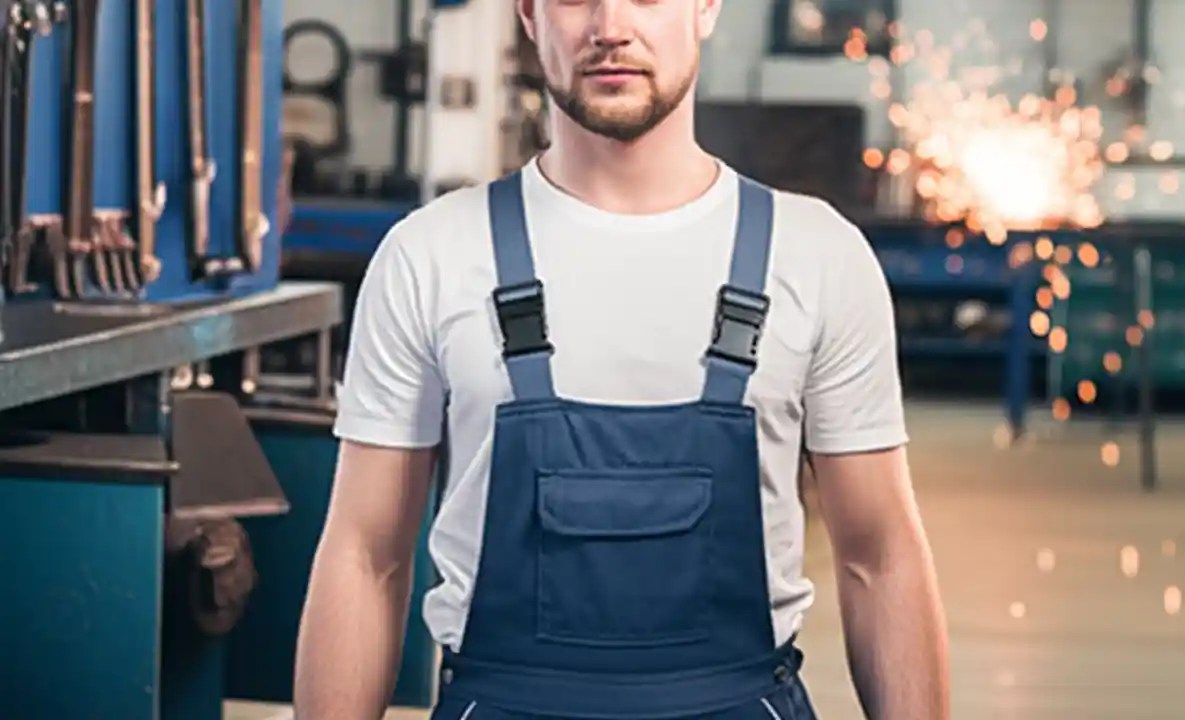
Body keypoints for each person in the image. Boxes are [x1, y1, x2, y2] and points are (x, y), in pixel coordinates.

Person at [294, 1, 949, 718]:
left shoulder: (818, 256)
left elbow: (880, 558)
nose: (610, 26)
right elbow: (365, 557)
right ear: (528, 13)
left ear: (705, 6)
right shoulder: (432, 256)